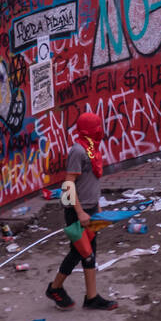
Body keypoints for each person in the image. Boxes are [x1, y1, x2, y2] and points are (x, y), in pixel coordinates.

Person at [46, 112, 118, 310]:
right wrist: (79, 213)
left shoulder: (92, 148)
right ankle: (55, 288)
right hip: (78, 211)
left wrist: (97, 206)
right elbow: (68, 184)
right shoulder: (78, 151)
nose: (99, 129)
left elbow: (91, 181)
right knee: (82, 252)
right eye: (96, 126)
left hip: (91, 208)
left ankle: (90, 296)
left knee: (87, 253)